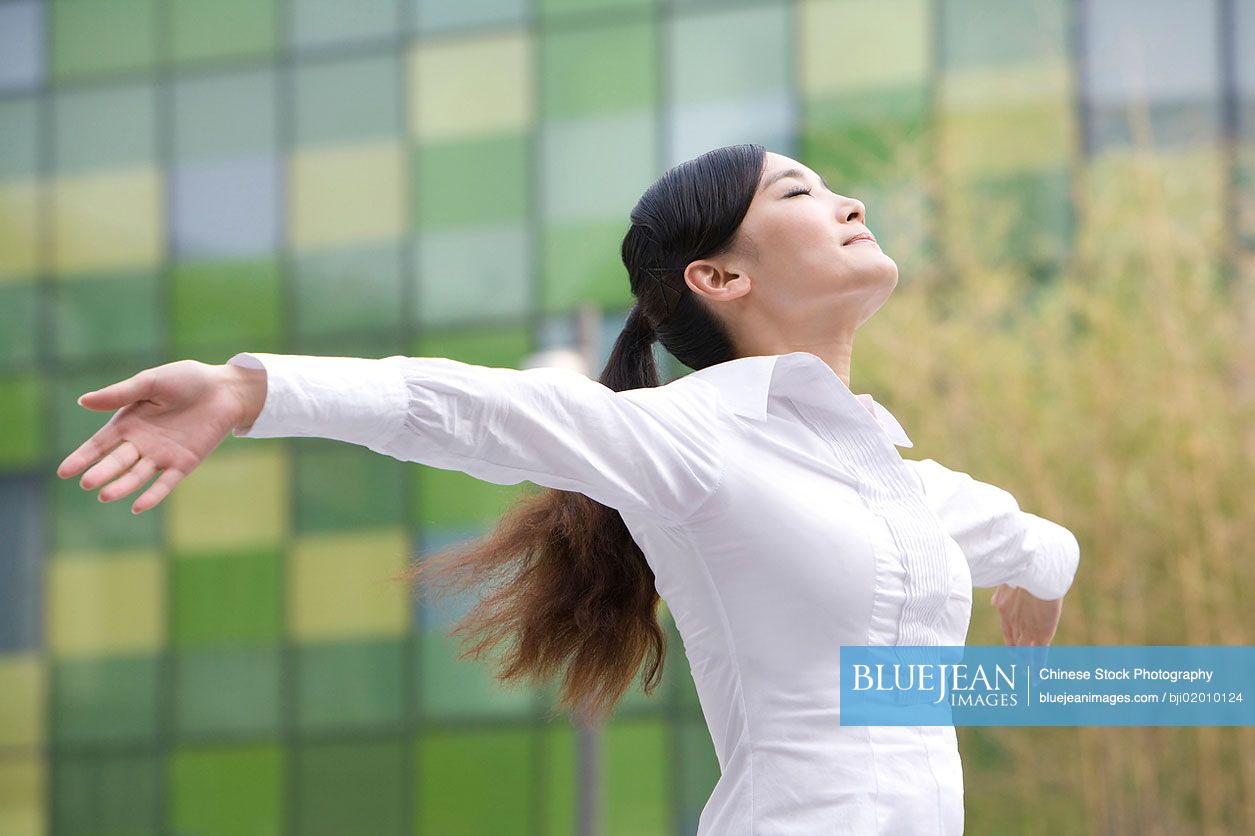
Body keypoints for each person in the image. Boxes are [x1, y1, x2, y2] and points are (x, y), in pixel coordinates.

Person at [57, 143, 1079, 835]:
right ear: (718, 277)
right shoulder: (690, 442)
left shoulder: (905, 485)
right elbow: (471, 409)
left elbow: (1033, 536)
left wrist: (1036, 579)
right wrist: (248, 387)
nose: (849, 201)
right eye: (799, 192)